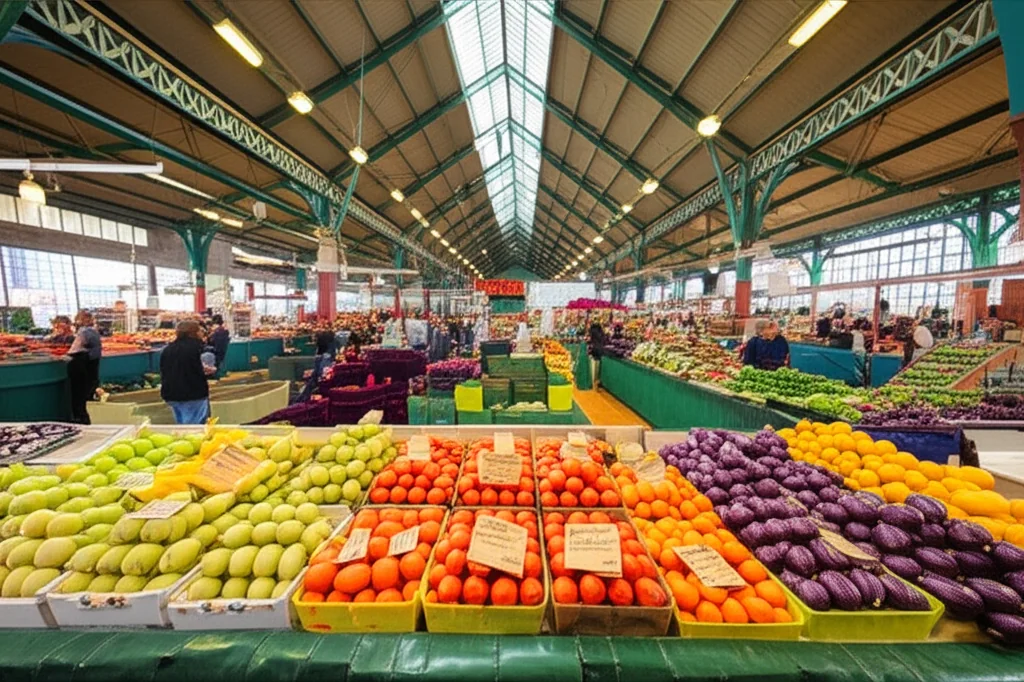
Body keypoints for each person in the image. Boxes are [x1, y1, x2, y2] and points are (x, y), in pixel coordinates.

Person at [160, 320, 215, 424]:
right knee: (194, 429)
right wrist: (207, 370)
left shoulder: (167, 349)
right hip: (192, 394)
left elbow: (168, 369)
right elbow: (194, 368)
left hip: (171, 393)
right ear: (195, 332)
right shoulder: (196, 347)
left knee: (182, 425)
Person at [65, 310, 102, 424]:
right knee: (88, 394)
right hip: (92, 368)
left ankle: (80, 420)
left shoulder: (84, 332)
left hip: (81, 367)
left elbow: (74, 350)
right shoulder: (94, 332)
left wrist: (63, 357)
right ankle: (86, 419)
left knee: (79, 397)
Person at [295, 330, 338, 403]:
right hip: (320, 388)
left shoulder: (325, 358)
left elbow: (323, 378)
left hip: (319, 394)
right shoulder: (328, 354)